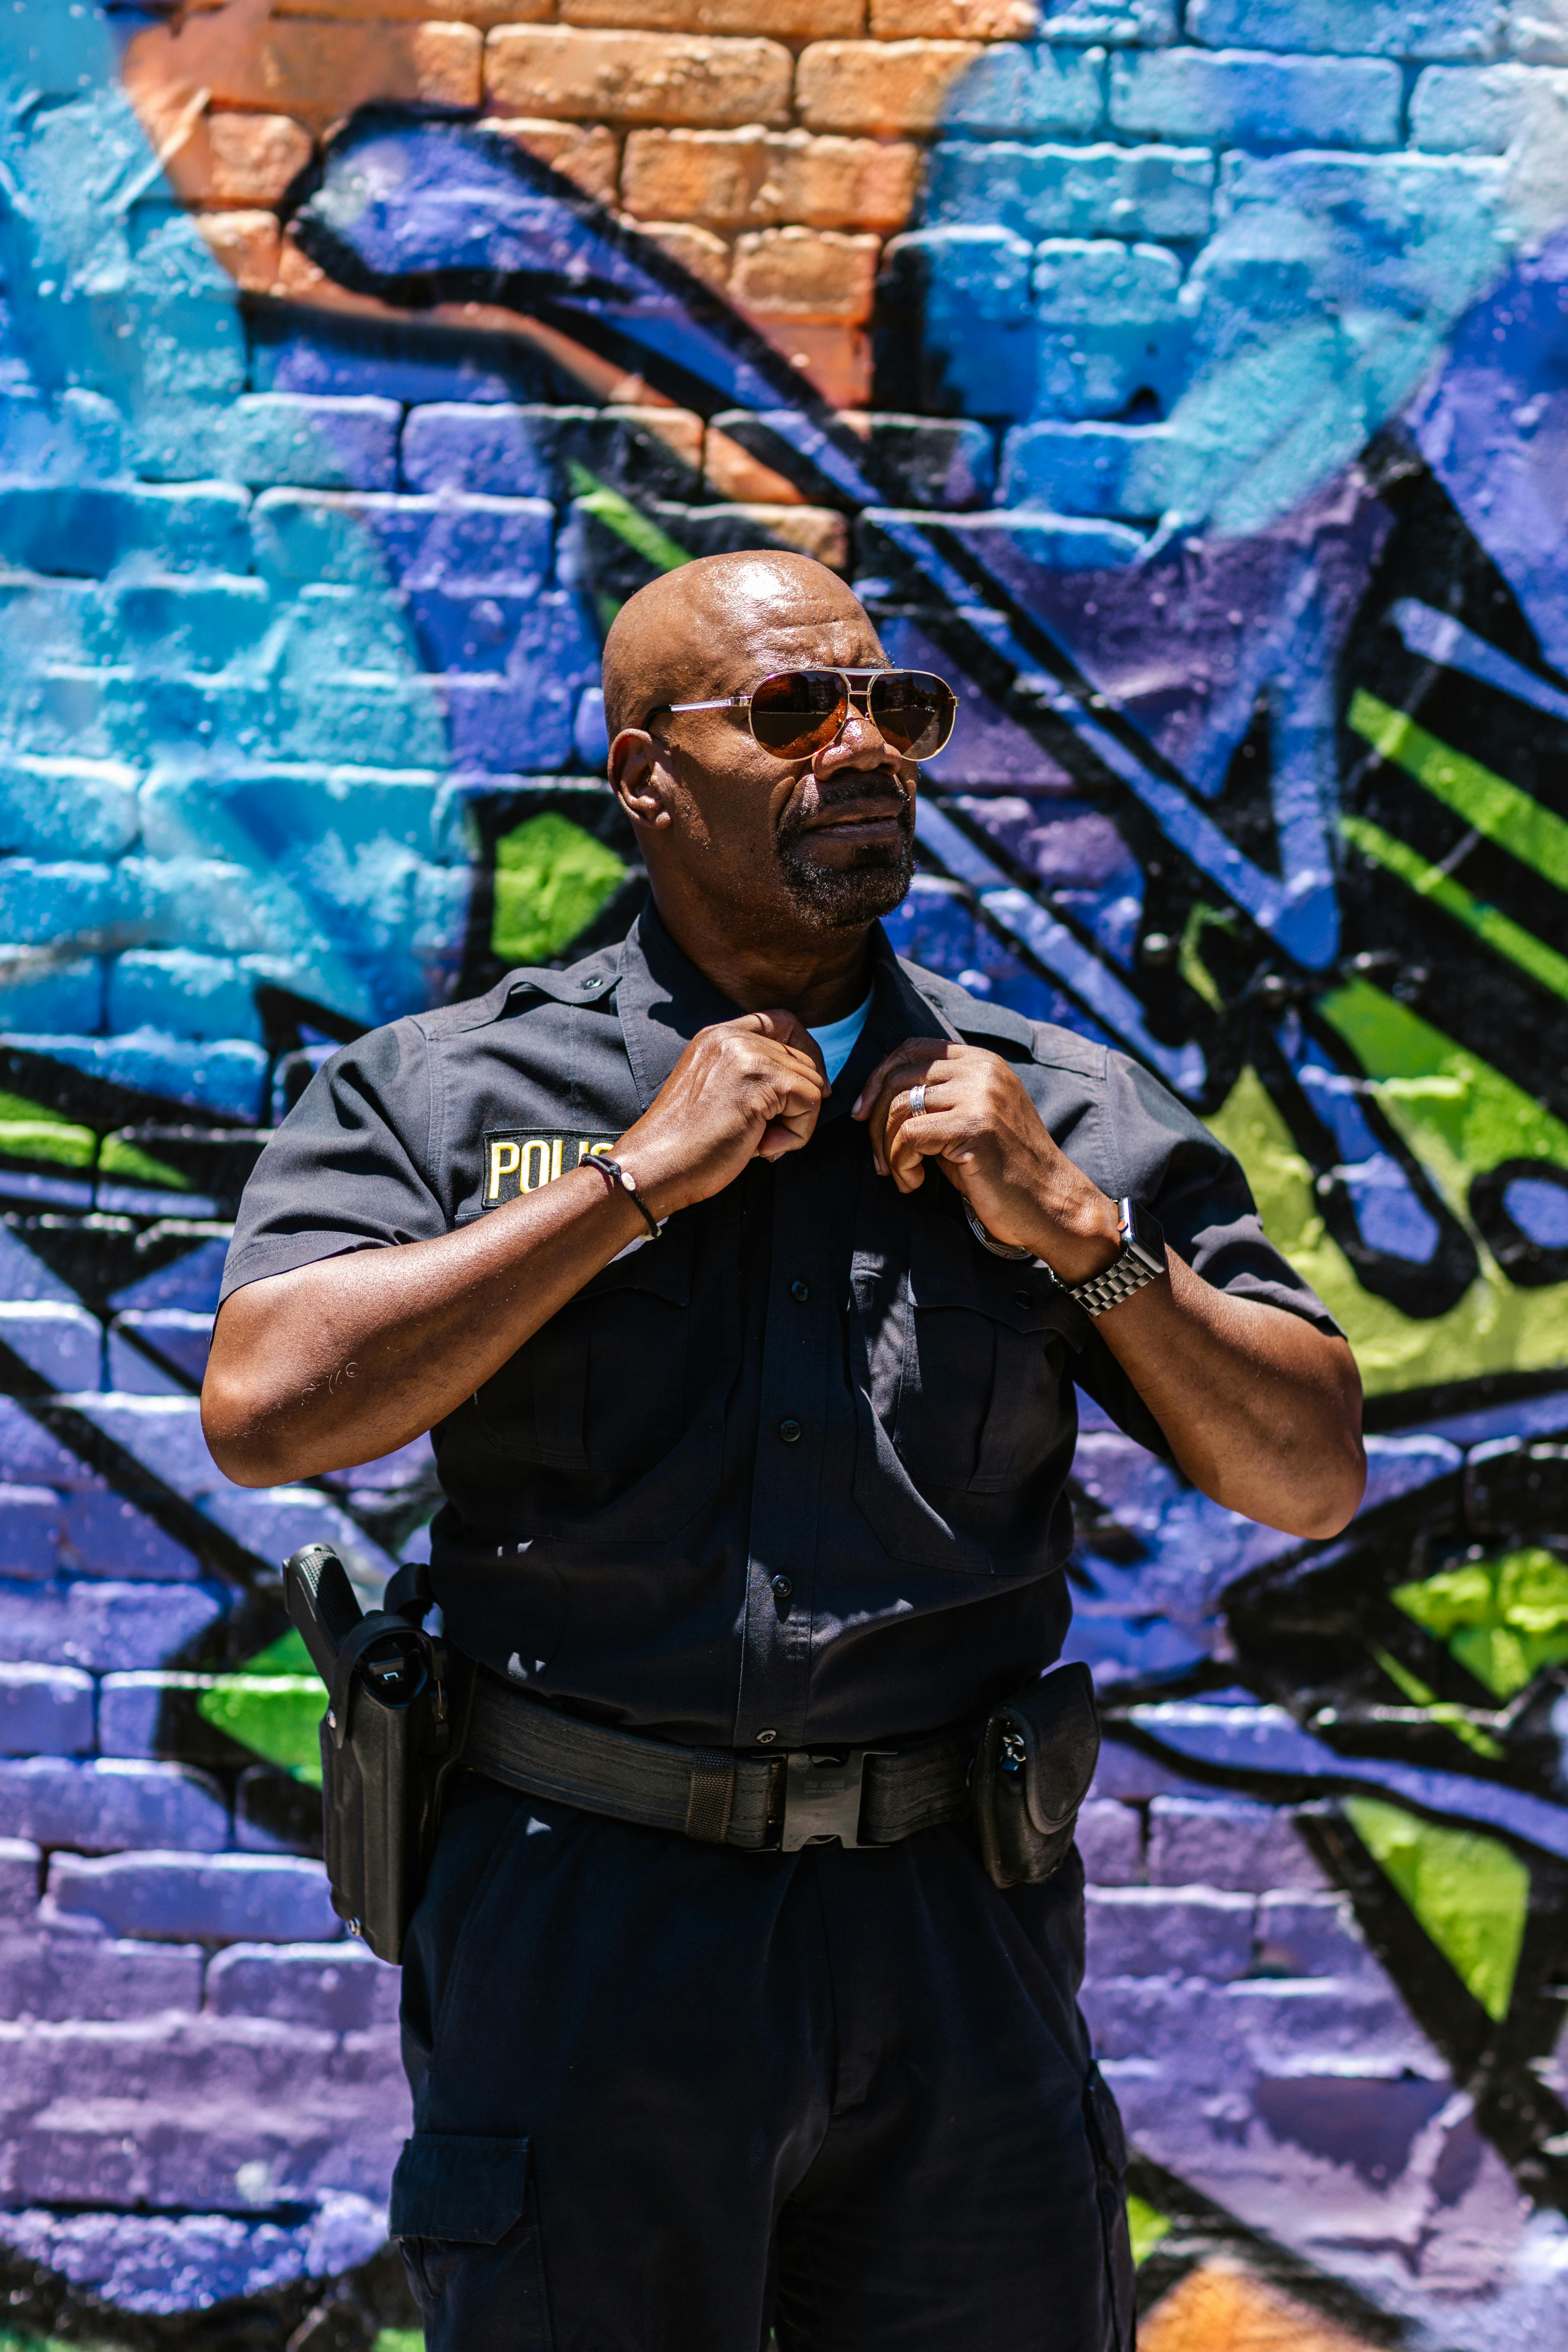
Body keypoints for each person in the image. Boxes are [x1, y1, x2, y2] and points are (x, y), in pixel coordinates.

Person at [203, 549, 1365, 2352]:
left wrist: (1079, 1231)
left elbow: (1305, 1466)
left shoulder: (1043, 1104)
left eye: (895, 711)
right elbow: (267, 1408)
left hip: (951, 1934)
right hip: (590, 1914)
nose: (865, 750)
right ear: (646, 778)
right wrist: (631, 1182)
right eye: (793, 712)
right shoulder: (455, 1089)